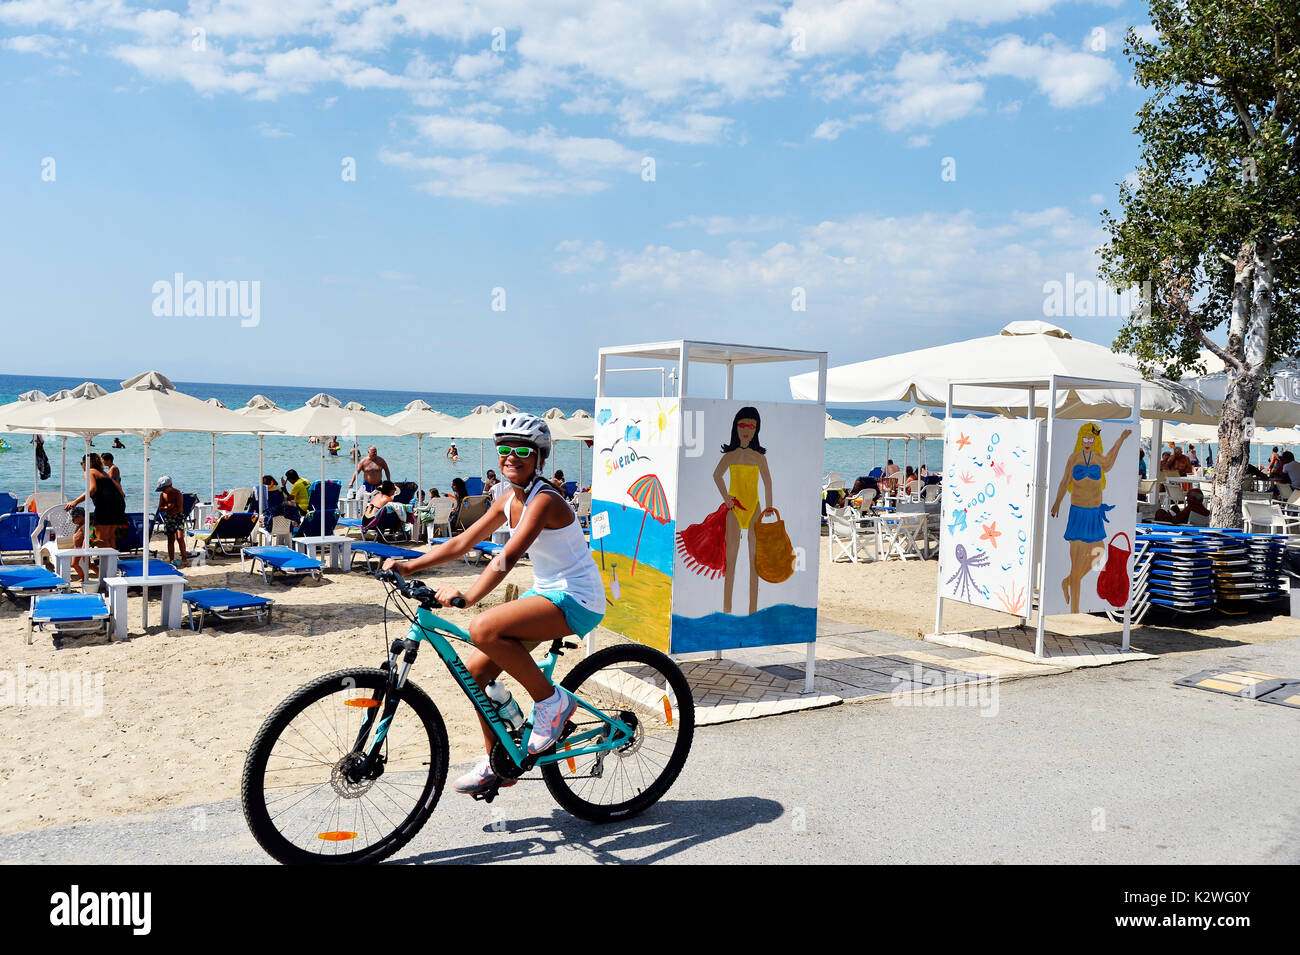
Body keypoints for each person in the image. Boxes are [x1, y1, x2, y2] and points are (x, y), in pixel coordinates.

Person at [382, 413, 605, 796]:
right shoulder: (506, 498)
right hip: (545, 594)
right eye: (505, 450)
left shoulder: (545, 500)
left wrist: (468, 597)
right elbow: (461, 542)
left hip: (577, 598)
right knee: (474, 676)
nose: (511, 457)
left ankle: (552, 703)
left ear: (539, 458)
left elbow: (507, 556)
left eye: (522, 450)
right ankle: (497, 763)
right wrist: (408, 562)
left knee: (482, 628)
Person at [1048, 423, 1132, 614]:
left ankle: (1068, 581)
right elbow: (1064, 482)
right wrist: (1057, 503)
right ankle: (1074, 613)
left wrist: (1121, 439)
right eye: (1085, 438)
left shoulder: (1097, 458)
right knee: (1076, 564)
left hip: (1094, 514)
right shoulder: (1074, 458)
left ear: (1095, 440)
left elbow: (1110, 463)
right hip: (1078, 513)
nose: (1088, 442)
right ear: (1081, 439)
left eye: (1091, 439)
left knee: (1100, 552)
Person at [713, 406, 774, 616]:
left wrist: (769, 507)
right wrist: (726, 497)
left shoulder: (759, 457)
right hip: (735, 510)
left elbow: (768, 482)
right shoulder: (730, 455)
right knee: (731, 561)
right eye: (742, 425)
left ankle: (752, 611)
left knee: (754, 562)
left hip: (755, 508)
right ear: (736, 427)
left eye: (751, 426)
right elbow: (717, 475)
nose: (746, 430)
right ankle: (727, 610)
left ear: (757, 429)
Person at [66, 453, 126, 557]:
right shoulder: (104, 473)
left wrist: (75, 502)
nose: (82, 466)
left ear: (86, 463)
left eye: (82, 463)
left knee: (100, 539)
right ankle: (113, 565)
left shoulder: (89, 471)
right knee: (111, 537)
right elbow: (121, 491)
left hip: (106, 506)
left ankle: (108, 567)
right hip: (119, 504)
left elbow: (92, 489)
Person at [156, 476, 188, 567]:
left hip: (178, 518)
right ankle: (171, 559)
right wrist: (168, 507)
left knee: (180, 537)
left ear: (170, 485)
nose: (164, 490)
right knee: (171, 539)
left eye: (164, 488)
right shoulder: (163, 495)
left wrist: (169, 508)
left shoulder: (178, 493)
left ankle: (184, 558)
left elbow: (180, 508)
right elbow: (160, 508)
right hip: (169, 518)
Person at [67, 506, 87, 582]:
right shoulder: (80, 525)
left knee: (75, 564)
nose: (72, 521)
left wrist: (83, 550)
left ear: (80, 517)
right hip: (76, 548)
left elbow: (87, 538)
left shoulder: (86, 526)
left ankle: (84, 577)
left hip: (80, 548)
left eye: (74, 518)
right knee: (75, 564)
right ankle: (83, 577)